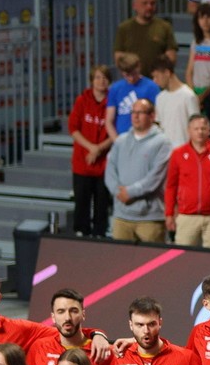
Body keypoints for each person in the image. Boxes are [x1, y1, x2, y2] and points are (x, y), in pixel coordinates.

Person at [103, 101, 170, 245]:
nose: (135, 116)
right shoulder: (121, 141)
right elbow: (110, 172)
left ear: (152, 116)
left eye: (140, 113)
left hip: (150, 218)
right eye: (133, 112)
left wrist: (130, 192)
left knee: (153, 264)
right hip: (121, 216)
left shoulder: (162, 143)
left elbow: (155, 177)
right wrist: (118, 192)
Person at [165, 114, 210, 249]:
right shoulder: (178, 153)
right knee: (183, 259)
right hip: (186, 217)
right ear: (189, 130)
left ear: (209, 130)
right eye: (196, 129)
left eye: (203, 128)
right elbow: (171, 186)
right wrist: (169, 214)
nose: (200, 132)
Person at [68, 66, 114, 238]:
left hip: (104, 163)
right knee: (82, 201)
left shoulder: (113, 101)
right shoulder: (82, 100)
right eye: (97, 78)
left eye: (104, 78)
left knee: (102, 202)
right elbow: (73, 128)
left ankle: (100, 234)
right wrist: (90, 147)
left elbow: (116, 132)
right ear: (92, 80)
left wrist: (99, 148)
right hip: (83, 161)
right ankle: (81, 233)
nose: (101, 81)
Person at [113, 0, 177, 76]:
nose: (149, 7)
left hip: (157, 82)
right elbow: (118, 57)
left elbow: (171, 57)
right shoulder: (124, 28)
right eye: (145, 3)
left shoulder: (165, 27)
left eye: (152, 3)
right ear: (134, 5)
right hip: (132, 81)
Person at [105, 52, 163, 140]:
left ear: (139, 67)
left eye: (134, 74)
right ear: (121, 73)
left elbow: (157, 116)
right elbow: (109, 121)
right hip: (122, 138)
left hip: (145, 138)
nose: (131, 78)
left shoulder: (151, 87)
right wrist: (118, 142)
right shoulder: (115, 89)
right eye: (127, 75)